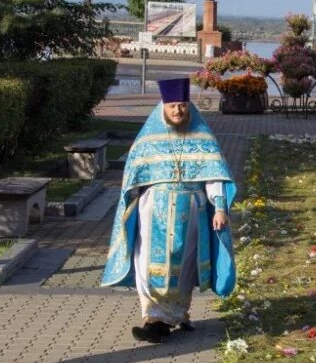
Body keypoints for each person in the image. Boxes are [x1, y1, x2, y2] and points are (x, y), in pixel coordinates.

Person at [101, 78, 237, 343]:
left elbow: (214, 177)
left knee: (184, 268)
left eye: (183, 106)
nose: (178, 111)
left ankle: (177, 314)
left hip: (191, 214)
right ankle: (152, 319)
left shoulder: (202, 137)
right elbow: (133, 176)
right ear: (163, 106)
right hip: (154, 212)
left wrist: (220, 208)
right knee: (147, 264)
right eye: (173, 106)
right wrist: (130, 200)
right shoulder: (149, 138)